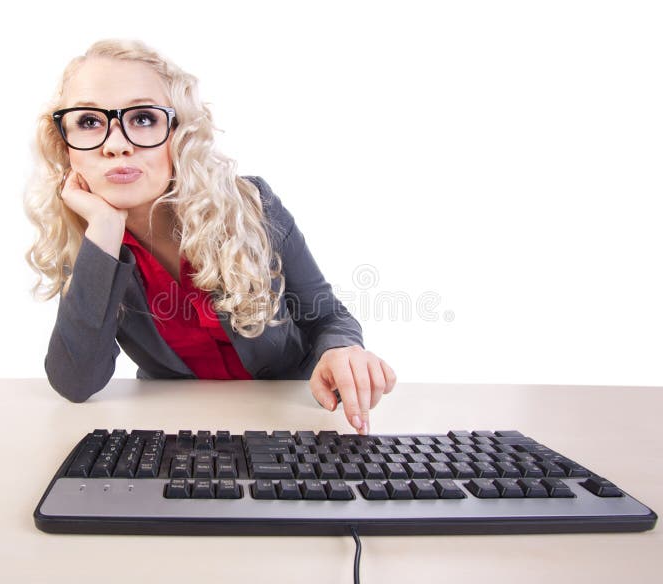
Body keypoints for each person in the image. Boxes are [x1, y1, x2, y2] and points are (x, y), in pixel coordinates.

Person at [24, 39, 396, 435]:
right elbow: (76, 382)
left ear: (179, 133)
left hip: (293, 422)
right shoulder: (89, 241)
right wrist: (104, 229)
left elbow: (327, 316)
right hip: (176, 436)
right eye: (89, 122)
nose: (117, 146)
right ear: (65, 145)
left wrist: (341, 350)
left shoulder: (252, 205)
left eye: (144, 119)